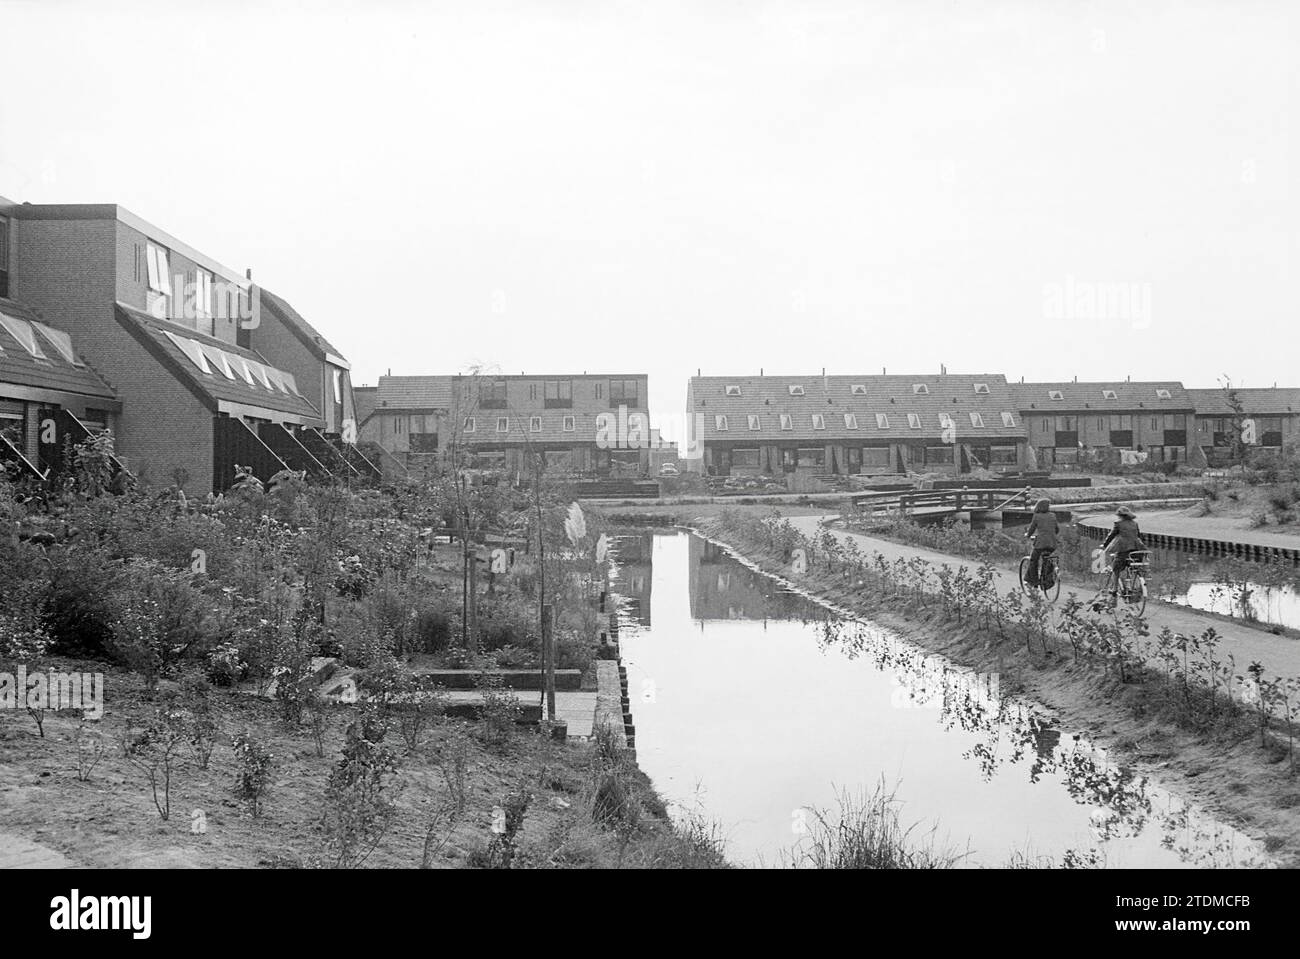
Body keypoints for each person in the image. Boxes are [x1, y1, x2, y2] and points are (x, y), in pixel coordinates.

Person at [1102, 505, 1146, 597]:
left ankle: (1114, 589)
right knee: (1131, 565)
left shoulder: (1118, 523)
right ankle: (1130, 585)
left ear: (1120, 515)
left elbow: (1111, 535)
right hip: (1137, 550)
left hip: (1124, 550)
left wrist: (1105, 545)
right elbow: (1139, 536)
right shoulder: (1134, 523)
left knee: (1115, 568)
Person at [1023, 498, 1059, 587]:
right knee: (1047, 560)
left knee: (1033, 560)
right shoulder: (1053, 515)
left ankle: (1034, 581)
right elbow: (1057, 530)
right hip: (1052, 544)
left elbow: (1031, 529)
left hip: (1041, 544)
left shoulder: (1037, 516)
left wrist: (1027, 535)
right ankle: (1046, 581)